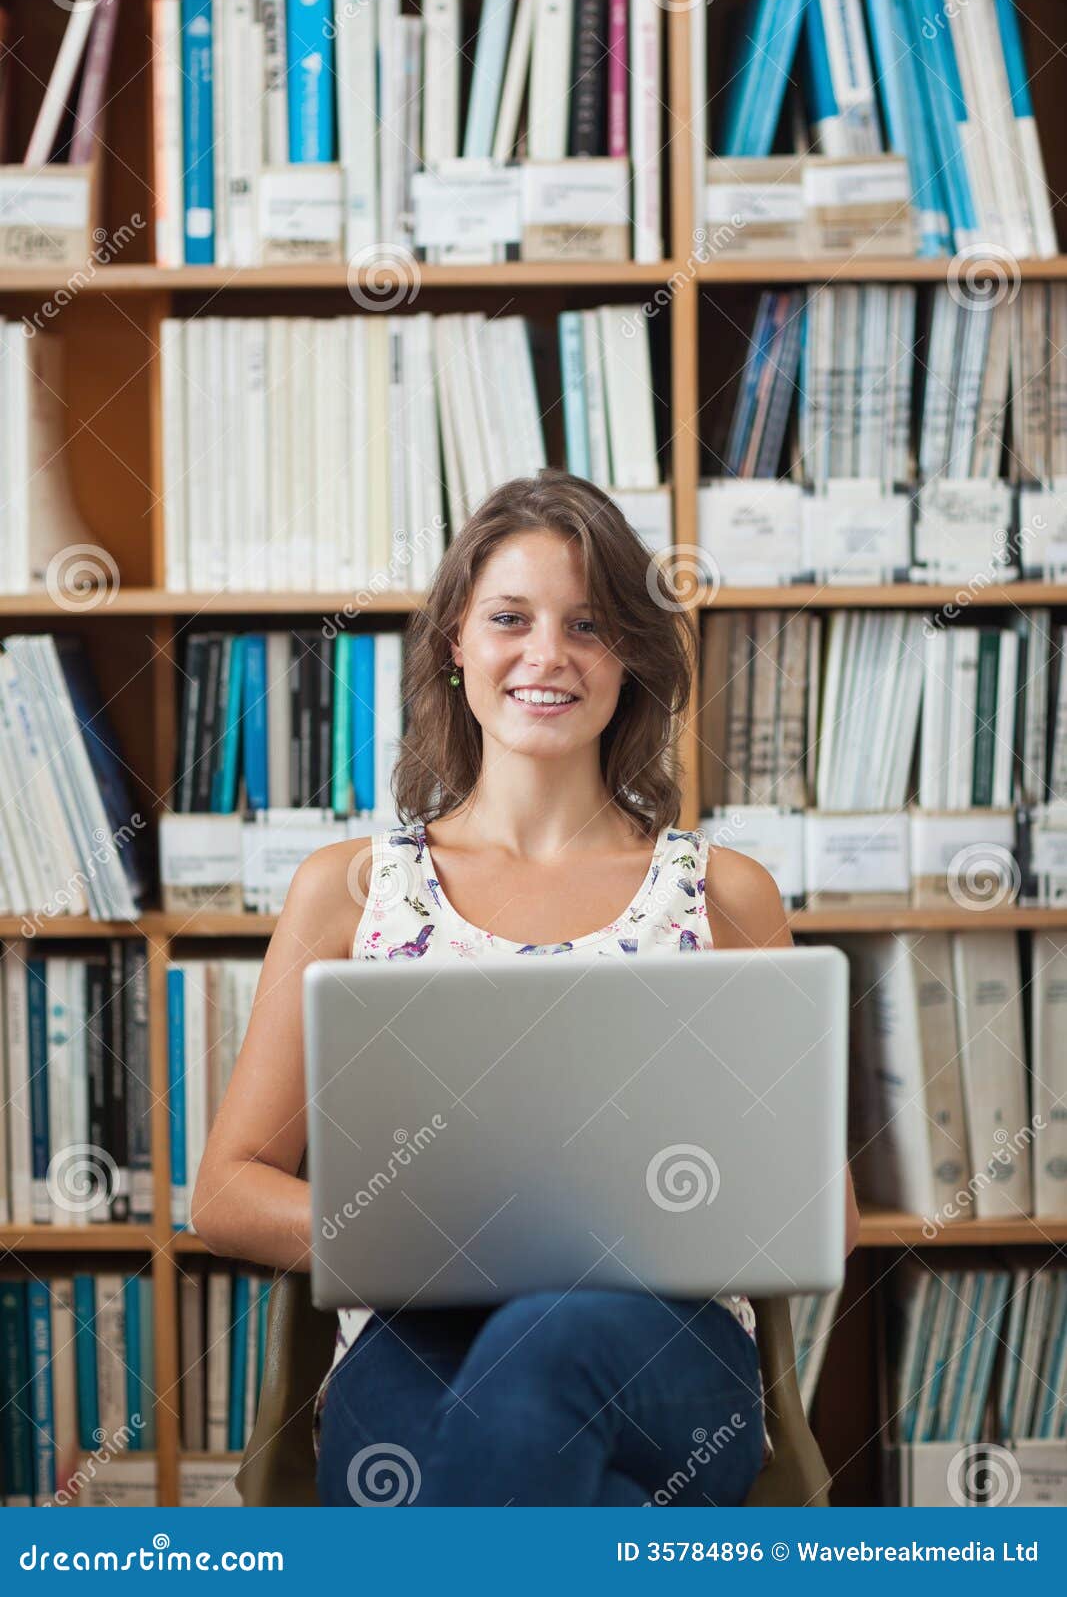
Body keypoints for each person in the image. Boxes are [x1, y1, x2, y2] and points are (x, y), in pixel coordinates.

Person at [192, 467, 861, 1507]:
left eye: (588, 625)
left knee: (547, 1352)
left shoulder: (720, 894)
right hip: (414, 1339)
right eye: (510, 618)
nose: (547, 654)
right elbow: (226, 1192)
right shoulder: (352, 891)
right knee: (524, 1451)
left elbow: (827, 1212)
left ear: (629, 656)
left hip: (664, 1355)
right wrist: (416, 1227)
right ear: (455, 641)